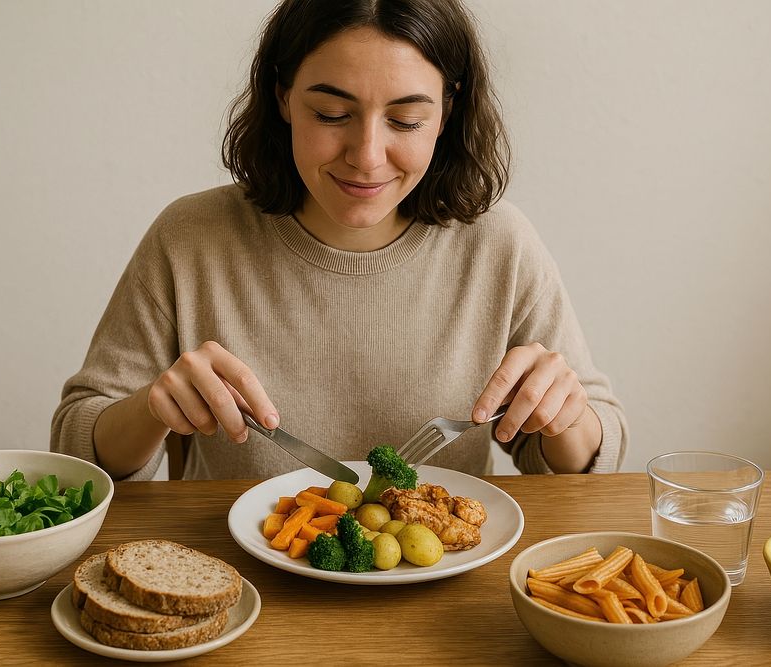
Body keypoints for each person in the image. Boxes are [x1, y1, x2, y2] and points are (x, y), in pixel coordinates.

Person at [51, 0, 627, 481]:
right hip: (237, 586)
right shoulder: (192, 236)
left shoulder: (500, 244)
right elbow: (78, 443)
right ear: (282, 97)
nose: (367, 157)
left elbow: (597, 451)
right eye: (331, 113)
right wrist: (153, 407)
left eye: (406, 121)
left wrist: (566, 415)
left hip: (445, 589)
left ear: (447, 112)